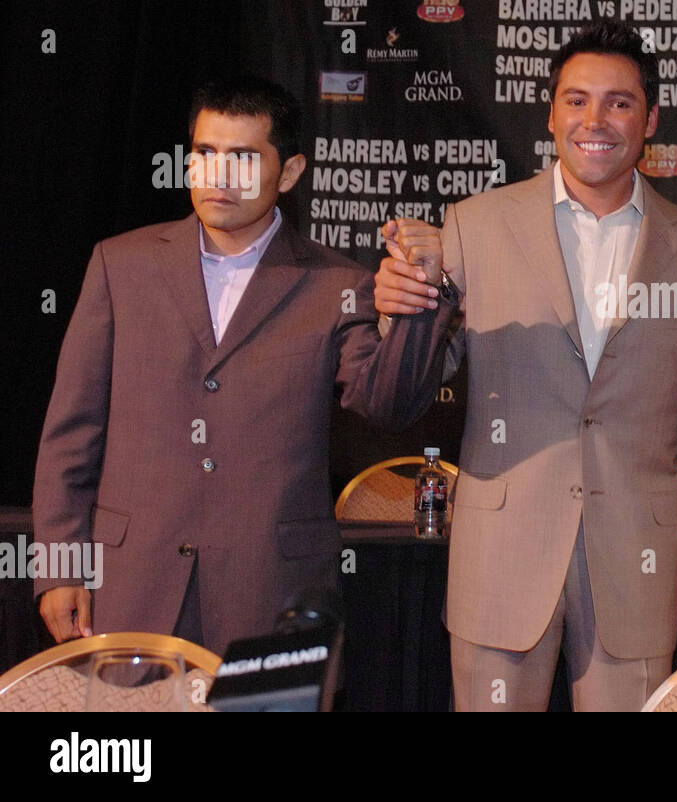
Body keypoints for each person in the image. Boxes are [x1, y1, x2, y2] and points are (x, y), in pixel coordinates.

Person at [370, 21, 677, 711]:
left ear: (651, 120)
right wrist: (404, 305)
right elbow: (415, 378)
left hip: (632, 560)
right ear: (551, 113)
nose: (596, 120)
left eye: (619, 102)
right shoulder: (473, 226)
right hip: (502, 551)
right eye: (577, 100)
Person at [32, 75, 418, 656]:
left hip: (271, 588)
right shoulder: (121, 264)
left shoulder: (338, 284)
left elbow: (386, 406)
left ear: (288, 173)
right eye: (205, 154)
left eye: (243, 156)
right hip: (132, 582)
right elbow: (71, 433)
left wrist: (416, 309)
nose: (218, 175)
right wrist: (60, 568)